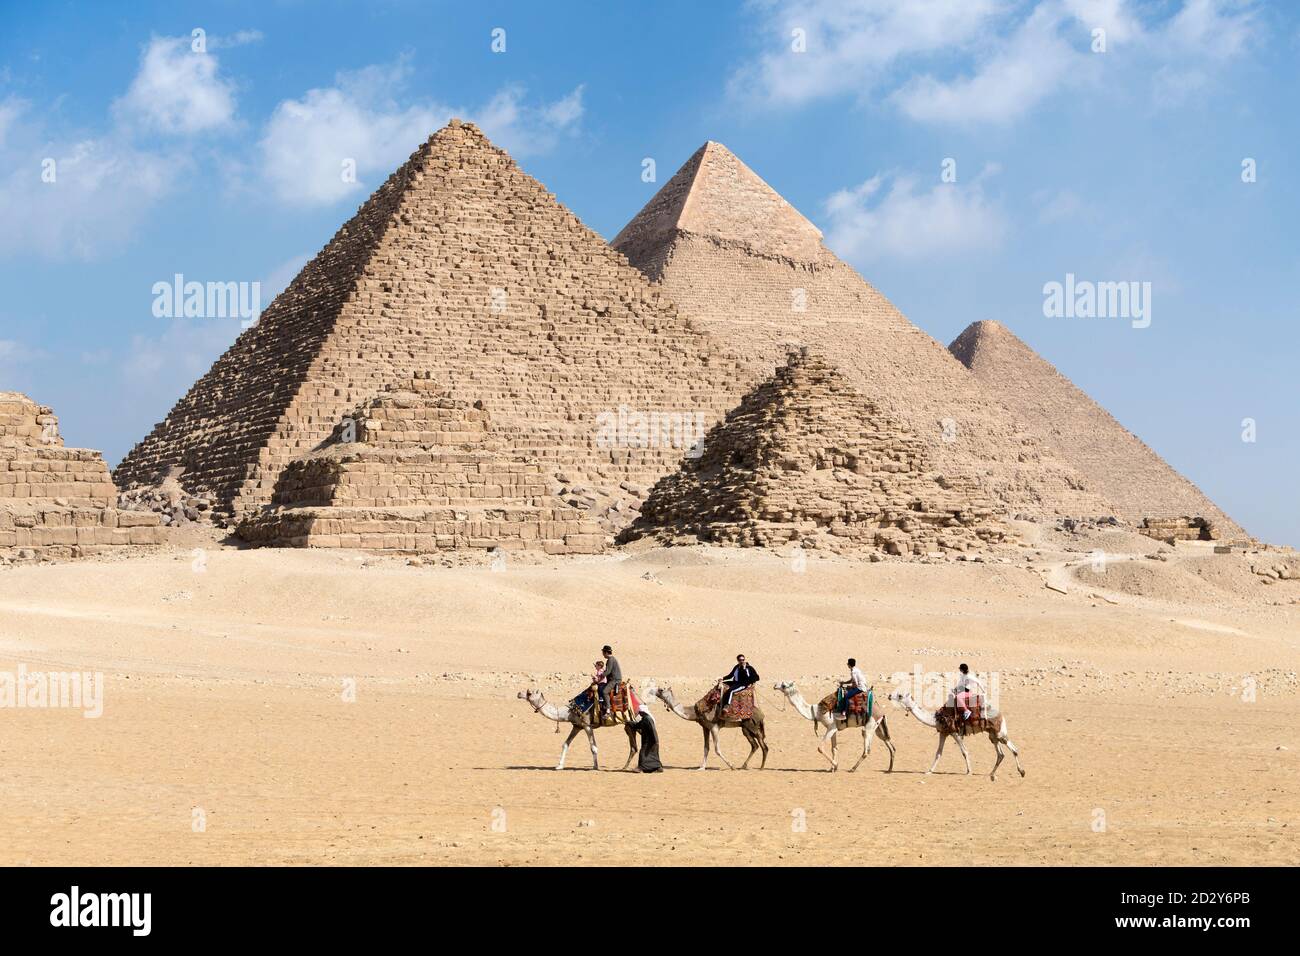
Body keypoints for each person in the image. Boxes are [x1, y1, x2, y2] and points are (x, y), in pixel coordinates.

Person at [714, 654, 759, 720]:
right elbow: (731, 675)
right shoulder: (736, 667)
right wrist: (722, 678)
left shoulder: (748, 668)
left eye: (743, 660)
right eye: (740, 660)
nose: (742, 661)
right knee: (722, 685)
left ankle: (727, 706)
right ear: (737, 660)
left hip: (743, 684)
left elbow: (748, 677)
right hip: (735, 682)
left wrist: (744, 668)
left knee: (731, 690)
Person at [599, 645, 622, 716]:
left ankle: (608, 709)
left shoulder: (610, 660)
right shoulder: (611, 659)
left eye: (603, 652)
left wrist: (601, 675)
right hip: (613, 679)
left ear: (606, 652)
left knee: (605, 691)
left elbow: (608, 671)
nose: (602, 654)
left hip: (615, 680)